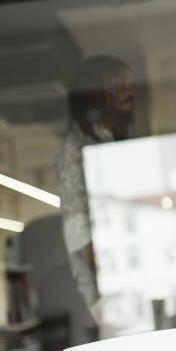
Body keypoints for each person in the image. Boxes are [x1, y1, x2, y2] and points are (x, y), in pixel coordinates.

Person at [56, 55, 135, 323]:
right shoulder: (76, 148)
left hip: (131, 289)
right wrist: (122, 274)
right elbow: (80, 236)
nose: (128, 90)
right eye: (118, 84)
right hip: (111, 301)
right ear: (97, 92)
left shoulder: (110, 140)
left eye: (128, 82)